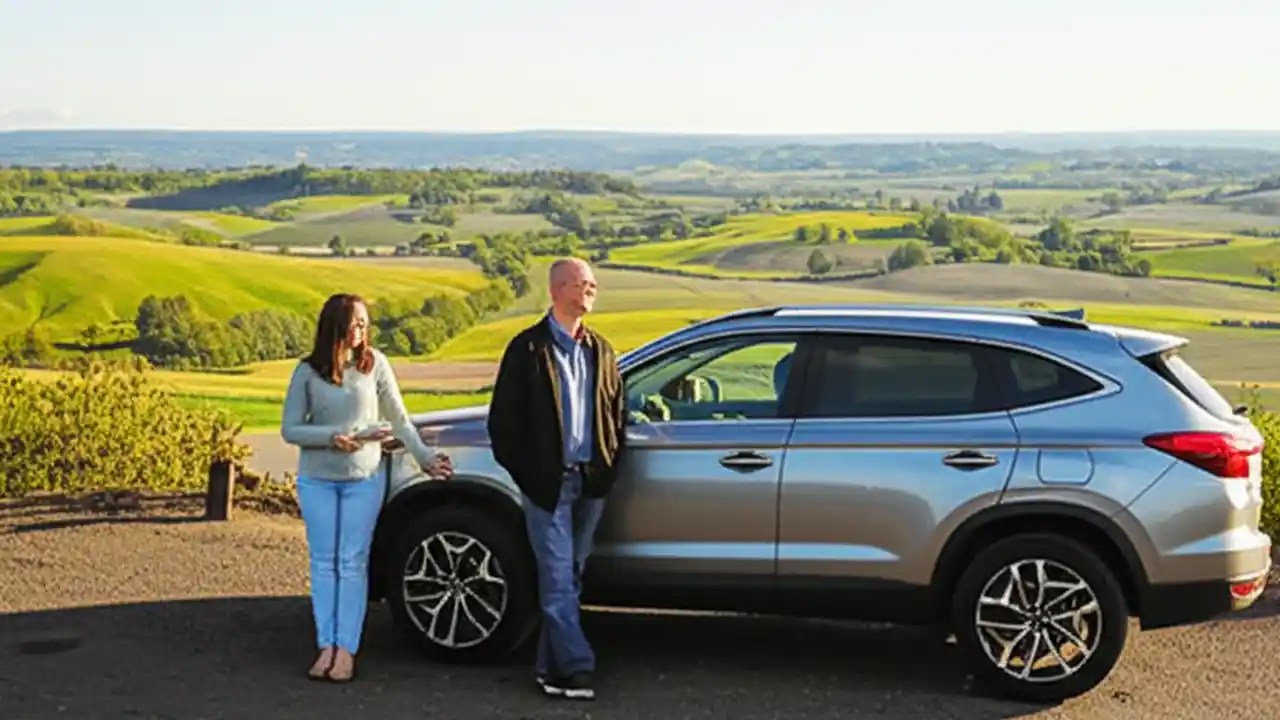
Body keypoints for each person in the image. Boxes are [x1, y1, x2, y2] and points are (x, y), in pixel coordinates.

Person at [281, 293, 452, 683]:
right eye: (355, 323)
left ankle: (347, 650)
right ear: (335, 326)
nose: (362, 330)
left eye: (365, 323)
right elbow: (291, 429)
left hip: (364, 478)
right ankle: (325, 645)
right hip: (318, 479)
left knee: (352, 562)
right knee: (324, 563)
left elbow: (401, 420)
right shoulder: (307, 372)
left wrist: (425, 457)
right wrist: (333, 437)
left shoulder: (376, 365)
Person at [487, 257, 626, 701]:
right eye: (582, 283)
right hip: (548, 484)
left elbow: (615, 414)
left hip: (591, 481)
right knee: (557, 574)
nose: (591, 290)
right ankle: (577, 667)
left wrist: (608, 463)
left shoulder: (601, 350)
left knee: (571, 573)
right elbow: (502, 424)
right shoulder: (526, 349)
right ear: (556, 290)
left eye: (592, 284)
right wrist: (530, 474)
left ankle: (549, 668)